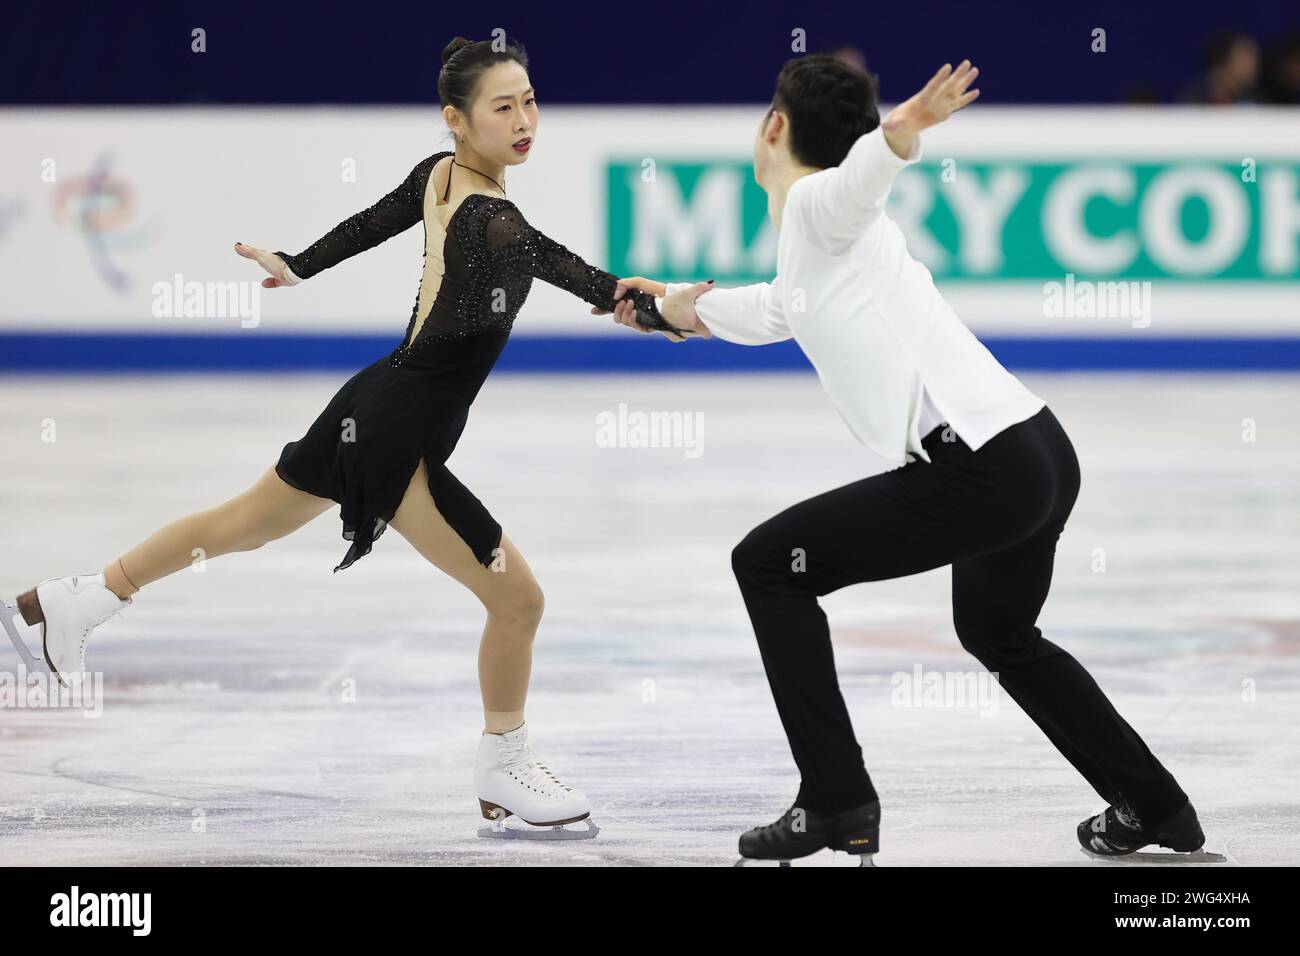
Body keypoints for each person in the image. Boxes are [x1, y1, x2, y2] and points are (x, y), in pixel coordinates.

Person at [2, 35, 703, 840]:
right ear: (457, 118)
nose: (523, 119)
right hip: (395, 434)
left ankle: (67, 603)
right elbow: (561, 266)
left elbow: (375, 221)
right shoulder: (493, 218)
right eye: (502, 106)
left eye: (530, 100)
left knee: (238, 526)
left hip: (371, 401)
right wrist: (656, 306)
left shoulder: (440, 177)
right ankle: (503, 764)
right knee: (518, 599)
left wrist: (301, 264)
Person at [607, 55, 1206, 864]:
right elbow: (776, 308)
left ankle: (836, 801)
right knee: (999, 632)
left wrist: (901, 133)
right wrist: (674, 305)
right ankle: (1157, 806)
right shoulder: (815, 246)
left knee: (769, 566)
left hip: (980, 468)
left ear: (776, 127)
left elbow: (860, 179)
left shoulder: (824, 203)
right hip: (1036, 451)